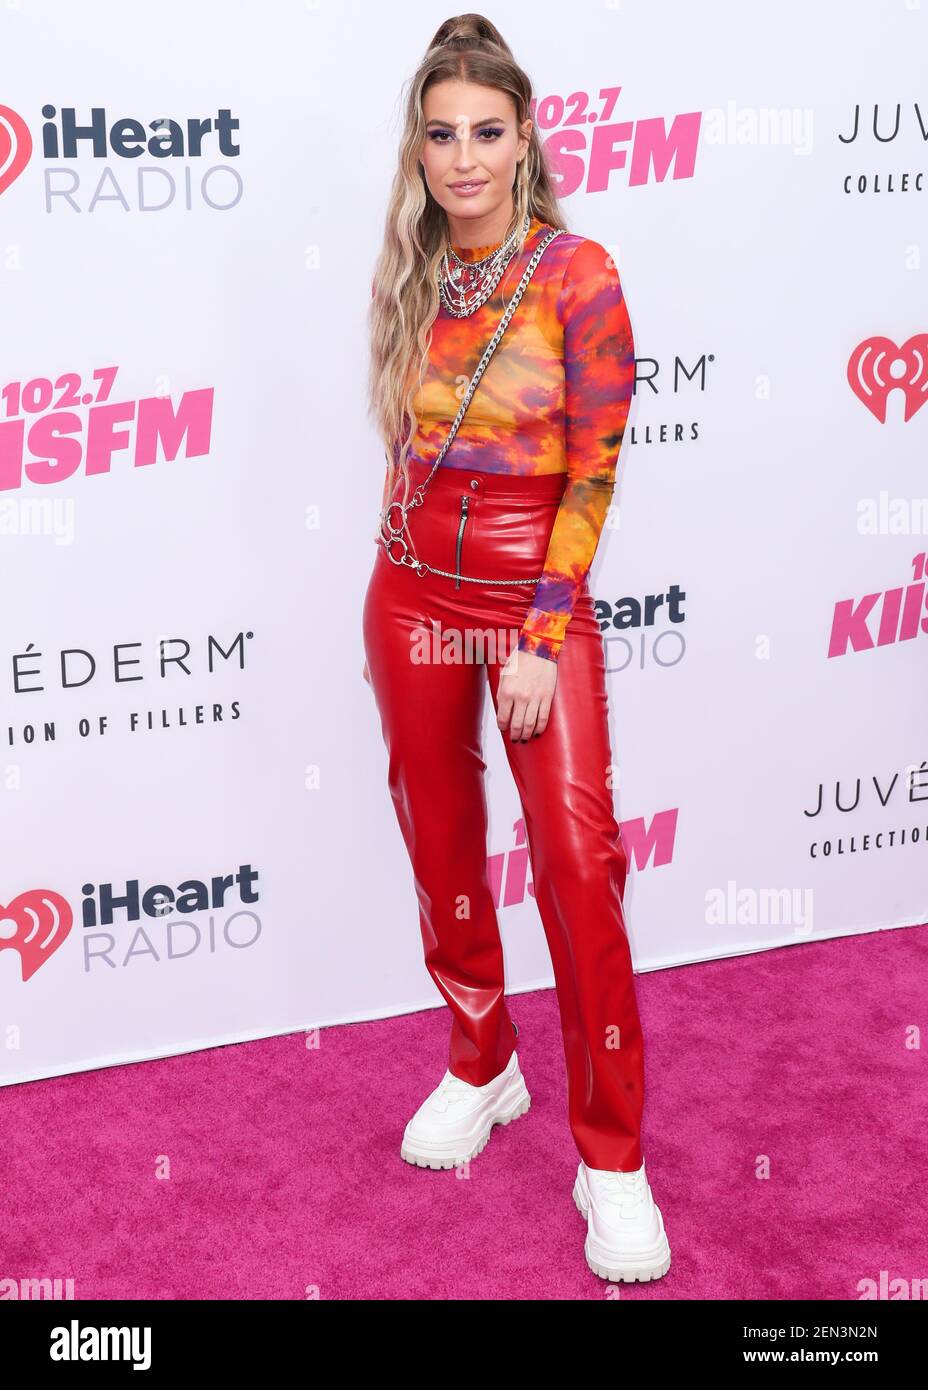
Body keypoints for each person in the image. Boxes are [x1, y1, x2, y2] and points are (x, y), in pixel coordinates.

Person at [362, 12, 671, 1284]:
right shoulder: (414, 269)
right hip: (406, 594)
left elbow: (591, 468)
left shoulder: (576, 271)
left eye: (486, 131)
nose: (464, 158)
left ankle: (613, 1158)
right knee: (438, 834)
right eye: (441, 134)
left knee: (577, 864)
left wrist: (542, 630)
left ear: (526, 134)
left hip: (528, 603)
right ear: (419, 147)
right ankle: (481, 1059)